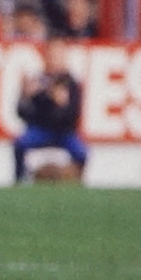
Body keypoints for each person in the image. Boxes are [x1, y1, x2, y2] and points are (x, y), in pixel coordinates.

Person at [13, 39, 86, 184]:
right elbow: (22, 113)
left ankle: (76, 182)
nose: (55, 59)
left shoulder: (72, 84)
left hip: (64, 132)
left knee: (82, 153)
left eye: (59, 54)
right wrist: (26, 97)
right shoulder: (37, 81)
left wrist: (62, 106)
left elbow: (74, 116)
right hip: (41, 130)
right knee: (20, 144)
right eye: (52, 54)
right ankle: (19, 180)